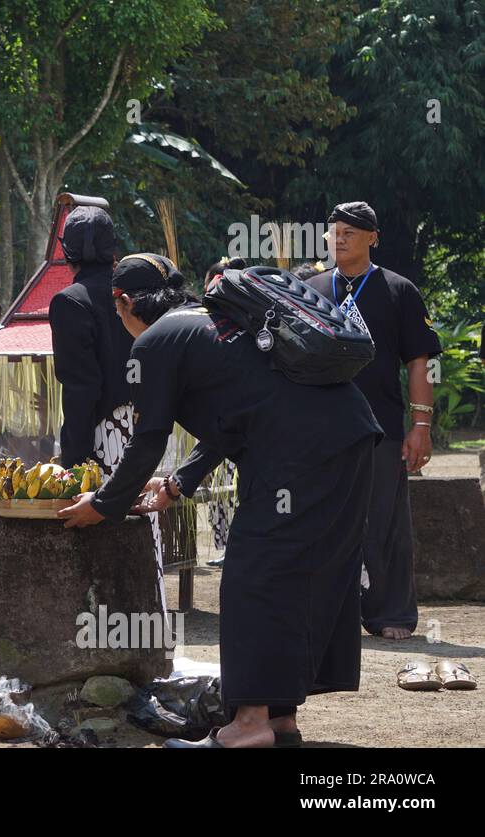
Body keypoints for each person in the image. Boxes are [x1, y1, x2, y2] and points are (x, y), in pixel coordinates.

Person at [59, 253, 382, 748]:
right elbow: (232, 419)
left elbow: (147, 440)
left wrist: (104, 504)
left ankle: (248, 724)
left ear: (122, 302)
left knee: (254, 576)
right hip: (348, 437)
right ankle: (278, 719)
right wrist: (175, 485)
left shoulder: (154, 342)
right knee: (300, 572)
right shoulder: (216, 324)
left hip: (297, 455)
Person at [305, 201, 441, 641]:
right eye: (334, 232)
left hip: (380, 425)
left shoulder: (398, 290)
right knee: (321, 519)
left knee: (385, 519)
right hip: (320, 429)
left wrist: (421, 426)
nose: (339, 239)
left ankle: (390, 613)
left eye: (350, 231)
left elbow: (419, 362)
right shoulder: (309, 289)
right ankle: (327, 612)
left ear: (372, 238)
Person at [48, 207, 131, 474]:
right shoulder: (136, 293)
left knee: (101, 514)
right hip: (144, 435)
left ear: (67, 254)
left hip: (101, 436)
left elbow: (81, 388)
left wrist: (74, 461)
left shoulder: (70, 301)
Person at [198, 257, 247, 568]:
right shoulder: (202, 322)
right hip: (213, 418)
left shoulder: (249, 320)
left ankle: (239, 546)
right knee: (218, 491)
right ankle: (224, 544)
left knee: (240, 489)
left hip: (243, 419)